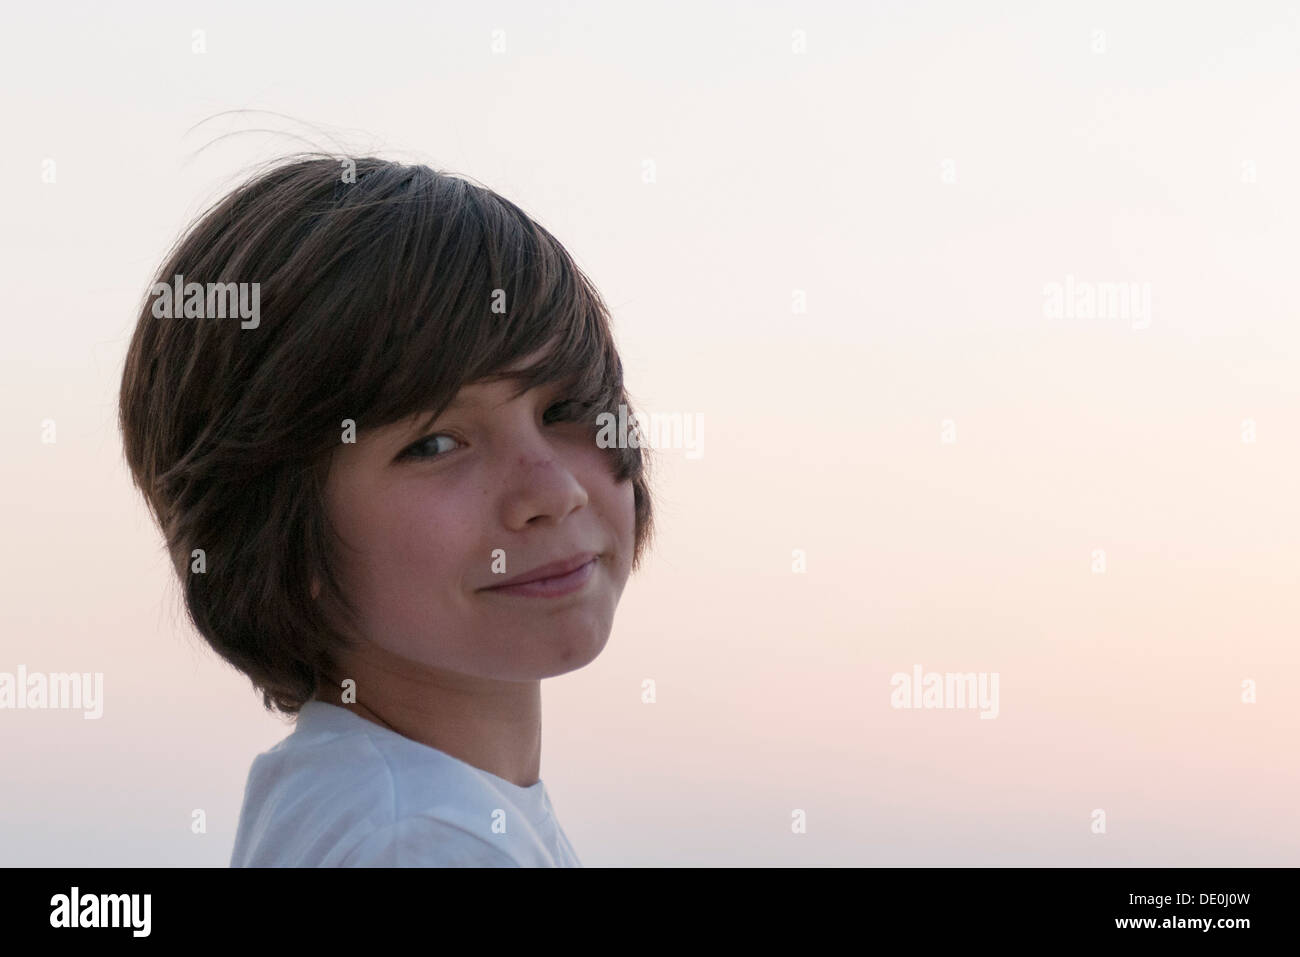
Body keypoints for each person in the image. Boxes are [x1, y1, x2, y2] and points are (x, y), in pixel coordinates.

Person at [118, 155, 655, 866]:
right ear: (278, 533)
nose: (552, 490)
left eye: (567, 408)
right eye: (434, 443)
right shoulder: (426, 839)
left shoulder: (368, 801)